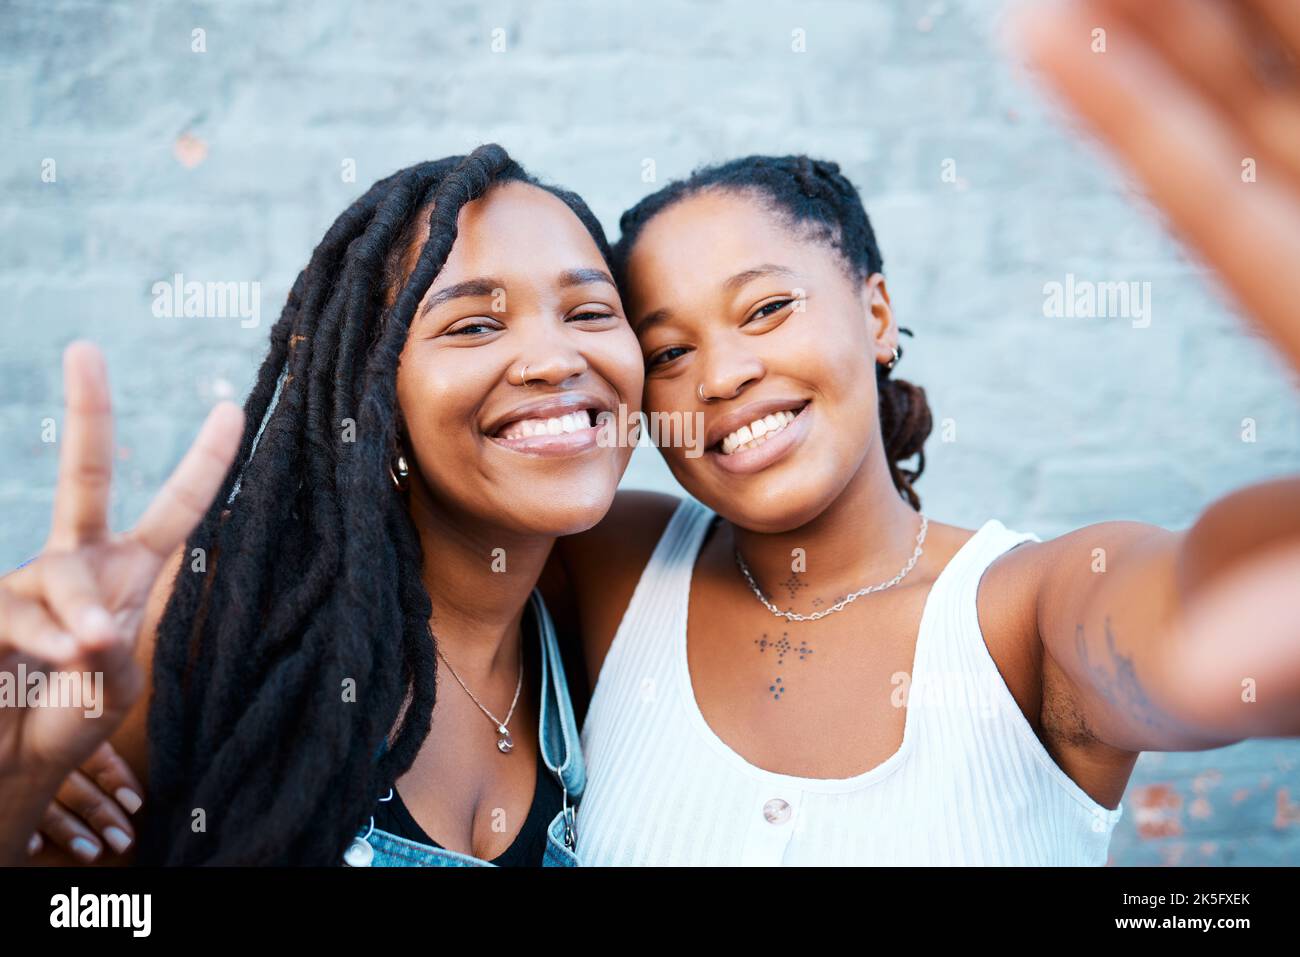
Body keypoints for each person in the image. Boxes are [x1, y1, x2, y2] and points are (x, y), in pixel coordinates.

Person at [548, 0, 1300, 864]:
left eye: (767, 308)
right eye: (670, 349)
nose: (721, 377)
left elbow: (1225, 628)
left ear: (875, 314)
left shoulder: (1028, 613)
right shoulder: (612, 562)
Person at [2, 145, 644, 866]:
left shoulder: (606, 598)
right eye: (474, 325)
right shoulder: (227, 615)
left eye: (590, 311)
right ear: (375, 393)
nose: (555, 359)